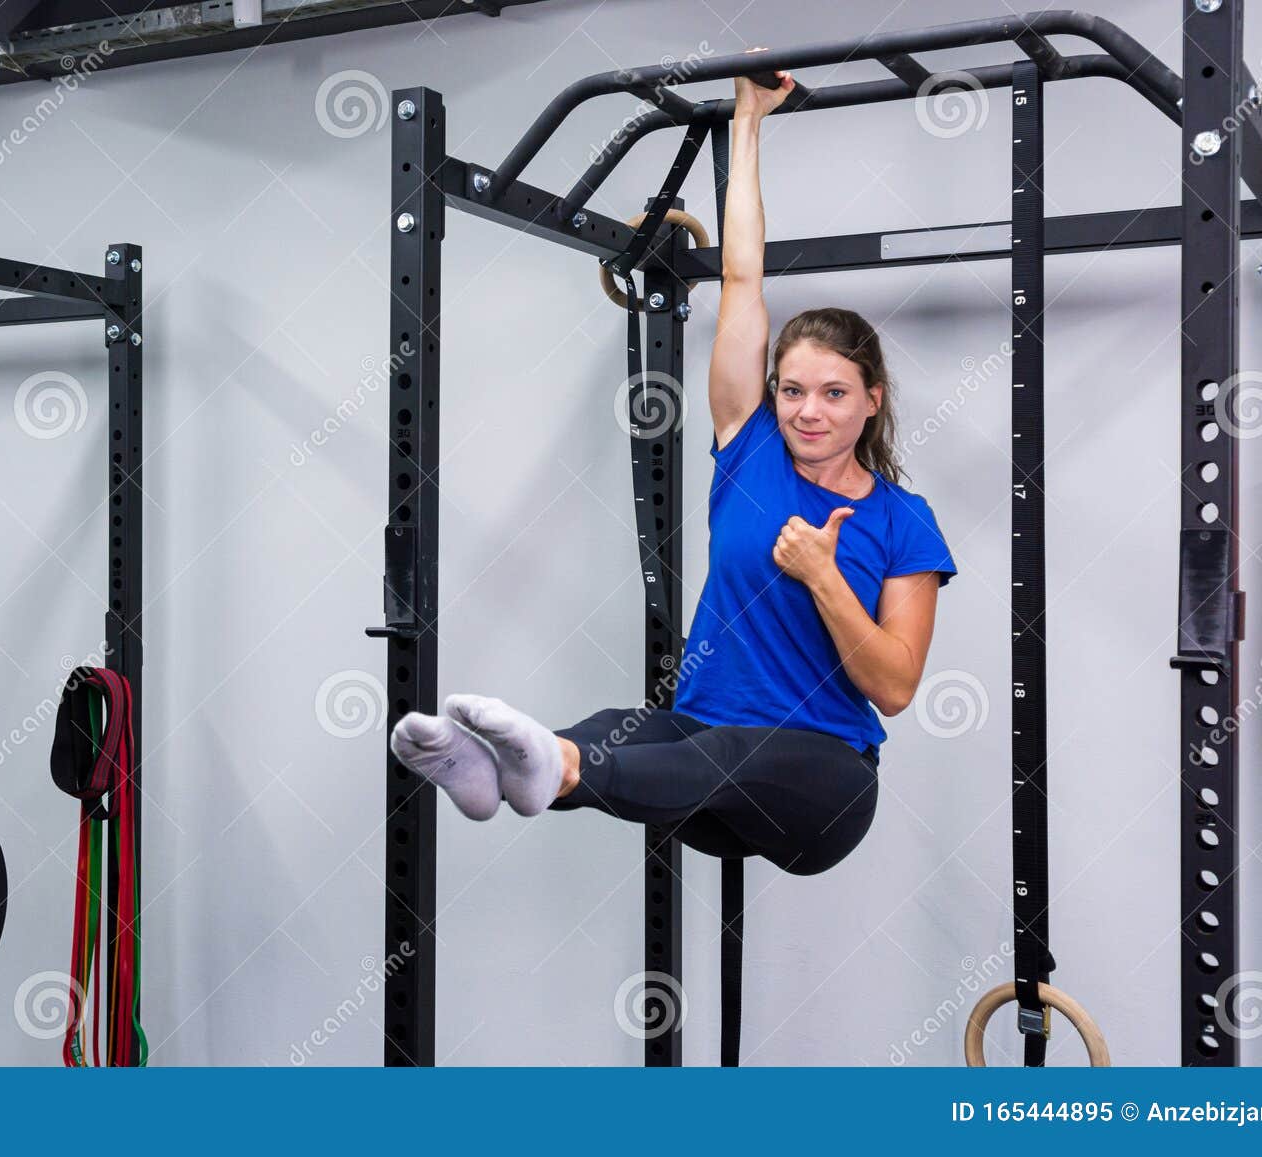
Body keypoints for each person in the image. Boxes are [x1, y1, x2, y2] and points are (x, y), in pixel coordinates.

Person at [389, 62, 956, 876]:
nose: (807, 410)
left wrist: (825, 578)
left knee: (720, 748)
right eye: (792, 389)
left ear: (871, 398)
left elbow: (896, 686)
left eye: (833, 393)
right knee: (631, 721)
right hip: (702, 778)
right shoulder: (751, 447)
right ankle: (501, 770)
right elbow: (741, 278)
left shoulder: (905, 522)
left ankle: (558, 771)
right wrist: (747, 124)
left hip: (820, 790)